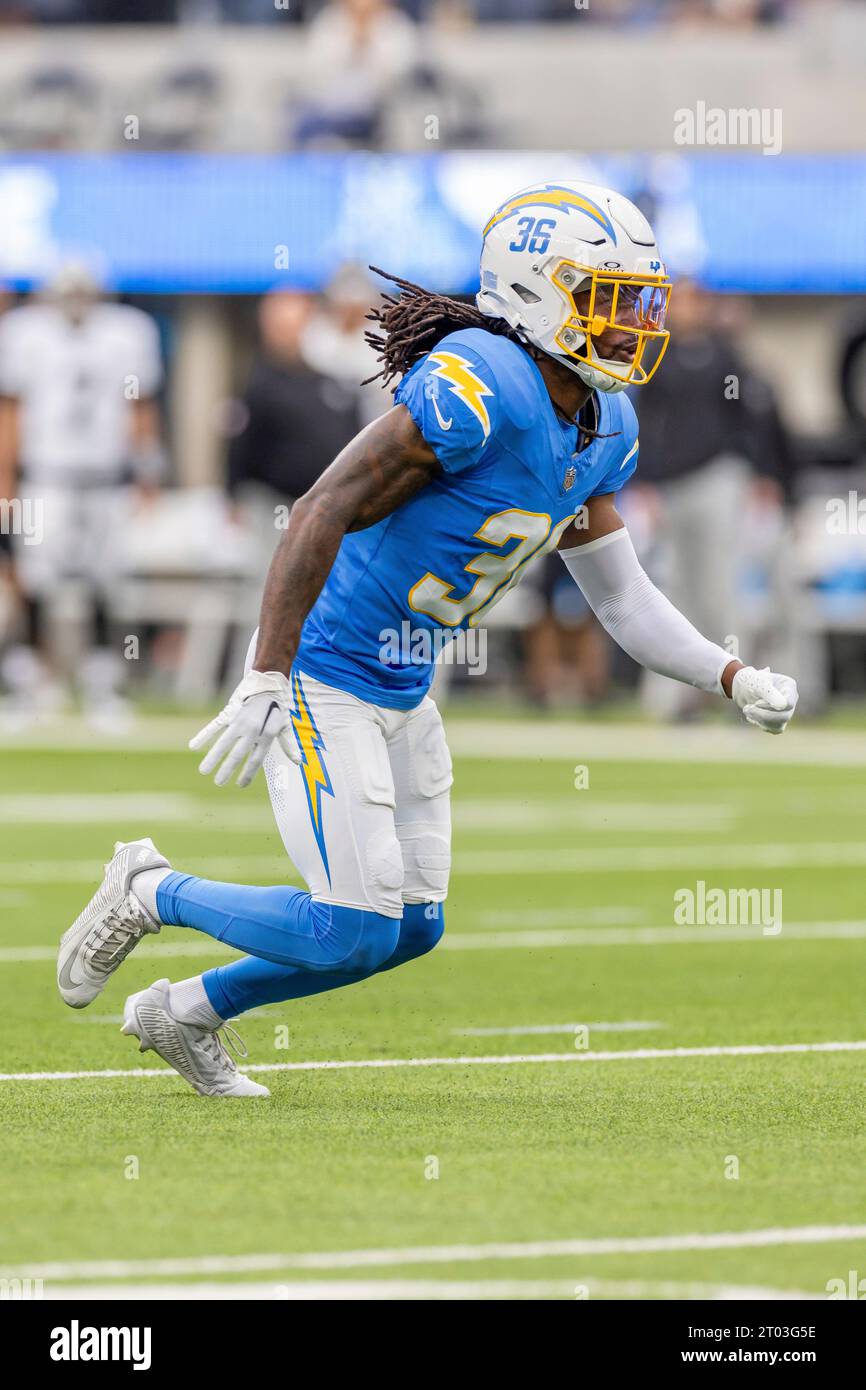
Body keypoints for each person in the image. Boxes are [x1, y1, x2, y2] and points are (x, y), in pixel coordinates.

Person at [57, 181, 798, 1097]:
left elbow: (623, 600)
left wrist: (728, 675)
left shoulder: (604, 424)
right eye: (607, 297)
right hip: (326, 675)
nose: (630, 323)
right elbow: (322, 506)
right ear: (537, 292)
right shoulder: (484, 382)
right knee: (355, 924)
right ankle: (149, 889)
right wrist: (266, 674)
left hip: (406, 690)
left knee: (413, 927)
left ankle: (186, 1012)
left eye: (636, 299)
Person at [0, 264, 164, 728]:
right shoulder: (26, 334)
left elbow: (140, 406)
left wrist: (147, 472)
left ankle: (101, 681)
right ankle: (33, 681)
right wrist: (5, 480)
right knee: (33, 579)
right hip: (46, 475)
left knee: (106, 581)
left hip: (106, 475)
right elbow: (11, 409)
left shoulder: (126, 334)